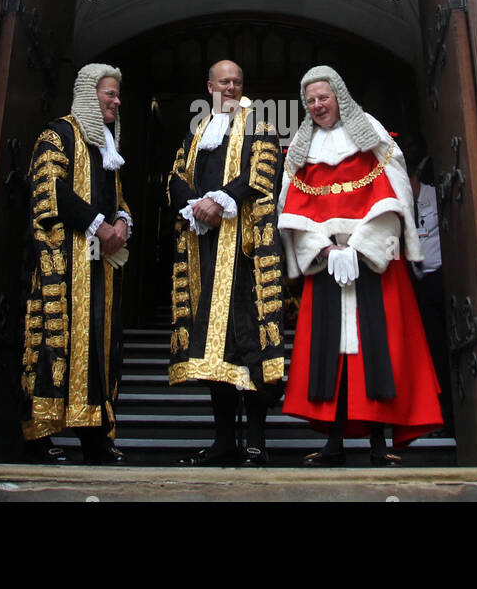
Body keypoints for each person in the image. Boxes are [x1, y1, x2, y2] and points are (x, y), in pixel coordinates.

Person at [278, 65, 442, 466]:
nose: (318, 106)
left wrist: (365, 247)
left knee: (377, 350)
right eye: (311, 100)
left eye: (324, 97)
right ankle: (333, 444)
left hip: (374, 262)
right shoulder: (303, 145)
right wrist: (326, 251)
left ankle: (378, 446)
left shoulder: (370, 131)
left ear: (340, 97)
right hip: (326, 264)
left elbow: (394, 191)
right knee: (331, 357)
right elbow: (292, 207)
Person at [166, 60, 285, 466]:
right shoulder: (197, 130)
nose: (232, 87)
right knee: (212, 352)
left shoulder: (261, 124)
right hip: (203, 251)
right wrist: (195, 204)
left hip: (245, 254)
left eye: (237, 81)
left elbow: (262, 173)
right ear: (210, 86)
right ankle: (223, 441)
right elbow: (174, 176)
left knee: (248, 343)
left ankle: (255, 440)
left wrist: (219, 200)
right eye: (224, 81)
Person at [21, 63, 132, 464]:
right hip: (64, 264)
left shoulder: (106, 146)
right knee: (56, 343)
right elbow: (51, 190)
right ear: (90, 94)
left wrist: (122, 222)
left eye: (118, 95)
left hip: (99, 267)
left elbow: (117, 197)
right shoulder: (59, 133)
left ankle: (95, 440)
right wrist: (100, 227)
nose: (116, 102)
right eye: (109, 94)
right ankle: (37, 437)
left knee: (99, 349)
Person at [409, 155, 454, 435]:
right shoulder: (402, 205)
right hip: (419, 283)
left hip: (443, 279)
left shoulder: (434, 197)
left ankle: (450, 417)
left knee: (444, 351)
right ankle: (436, 416)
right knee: (430, 352)